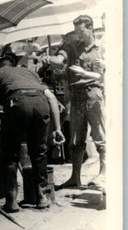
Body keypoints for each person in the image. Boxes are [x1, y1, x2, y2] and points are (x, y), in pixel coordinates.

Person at [0, 55, 65, 212]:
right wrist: (57, 128)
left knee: (10, 154)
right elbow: (51, 98)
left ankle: (11, 201)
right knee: (39, 153)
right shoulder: (29, 72)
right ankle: (41, 198)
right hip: (40, 103)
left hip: (17, 103)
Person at [42, 14, 105, 188]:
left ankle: (103, 174)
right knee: (76, 140)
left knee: (100, 137)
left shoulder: (102, 47)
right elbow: (59, 60)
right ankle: (75, 178)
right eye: (76, 30)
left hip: (94, 94)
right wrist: (50, 59)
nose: (78, 34)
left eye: (81, 30)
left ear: (90, 28)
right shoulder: (70, 46)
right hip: (76, 97)